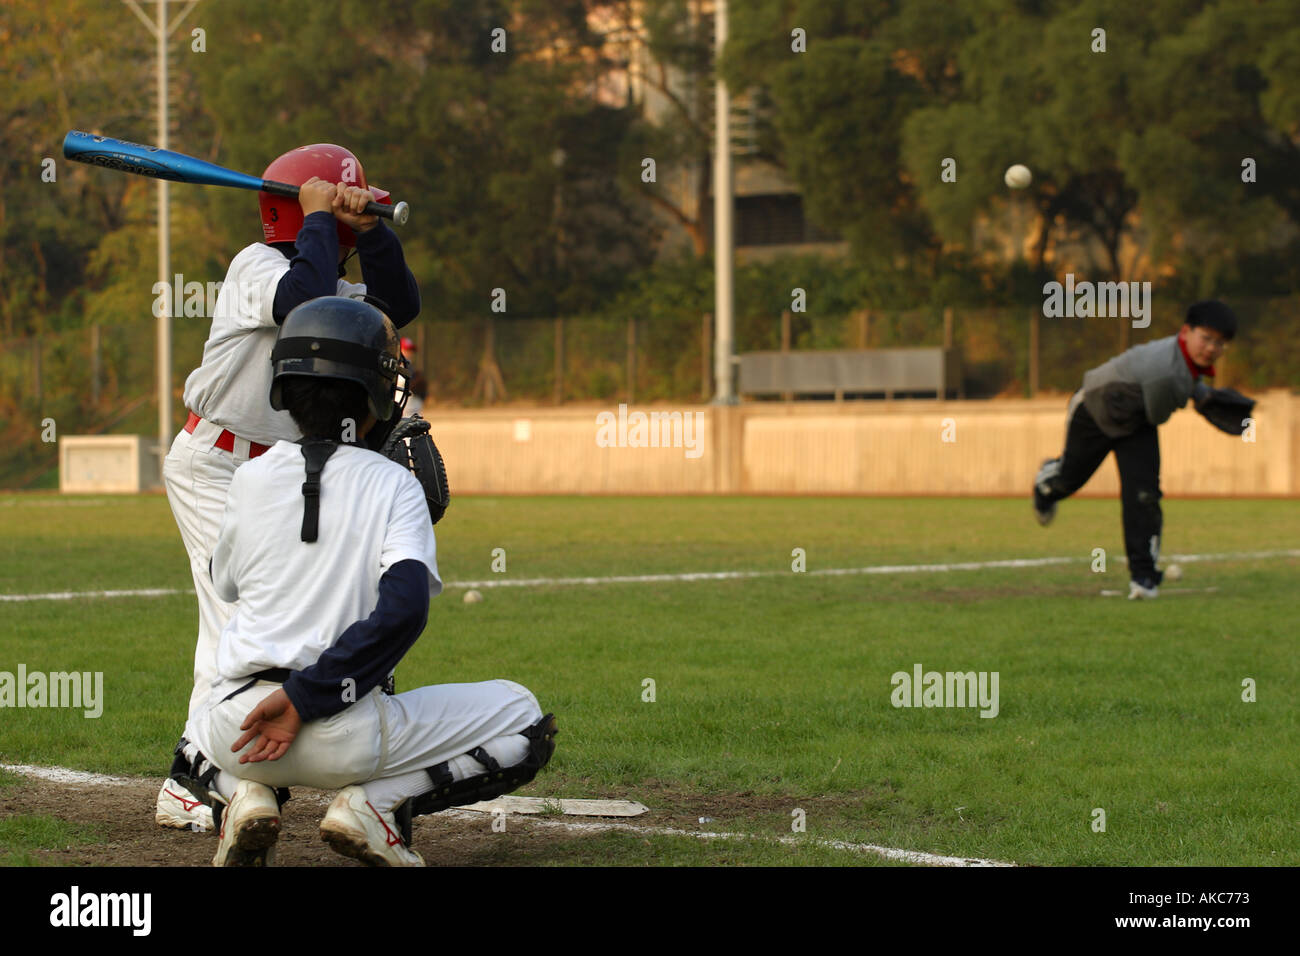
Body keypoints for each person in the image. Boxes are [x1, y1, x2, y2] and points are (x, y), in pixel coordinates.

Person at [188, 297, 555, 866]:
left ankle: (244, 796)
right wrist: (306, 697)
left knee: (198, 730)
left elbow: (225, 583)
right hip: (345, 735)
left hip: (238, 730)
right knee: (526, 718)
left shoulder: (249, 479)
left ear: (285, 388)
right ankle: (375, 805)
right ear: (374, 392)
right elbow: (405, 611)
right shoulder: (394, 485)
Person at [157, 144, 421, 832]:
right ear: (297, 213)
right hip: (216, 463)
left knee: (293, 614)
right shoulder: (258, 266)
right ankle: (193, 780)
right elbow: (302, 299)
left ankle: (240, 773)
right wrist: (317, 218)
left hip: (284, 470)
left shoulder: (333, 282)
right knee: (234, 619)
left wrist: (373, 232)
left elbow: (399, 305)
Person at [1032, 300, 1242, 599]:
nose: (1210, 348)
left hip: (1136, 419)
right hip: (1096, 408)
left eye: (1219, 343)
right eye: (1205, 338)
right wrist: (1200, 399)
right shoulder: (1165, 371)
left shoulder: (1186, 361)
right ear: (1185, 332)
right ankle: (1045, 485)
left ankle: (1143, 579)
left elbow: (1175, 393)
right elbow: (1159, 413)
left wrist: (1200, 393)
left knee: (1143, 495)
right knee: (1069, 479)